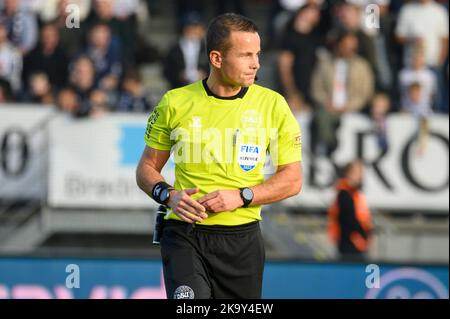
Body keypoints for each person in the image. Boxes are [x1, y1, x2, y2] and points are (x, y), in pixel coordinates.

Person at [136, 13, 302, 299]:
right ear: (216, 58)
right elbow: (147, 167)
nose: (256, 63)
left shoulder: (273, 105)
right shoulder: (175, 102)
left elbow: (292, 179)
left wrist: (241, 196)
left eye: (258, 54)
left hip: (243, 241)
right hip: (184, 234)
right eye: (246, 55)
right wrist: (168, 195)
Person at [327, 160, 373, 261]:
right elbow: (349, 219)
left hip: (357, 242)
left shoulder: (353, 193)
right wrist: (363, 235)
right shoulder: (344, 194)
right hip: (351, 243)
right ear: (349, 173)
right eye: (358, 173)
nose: (361, 176)